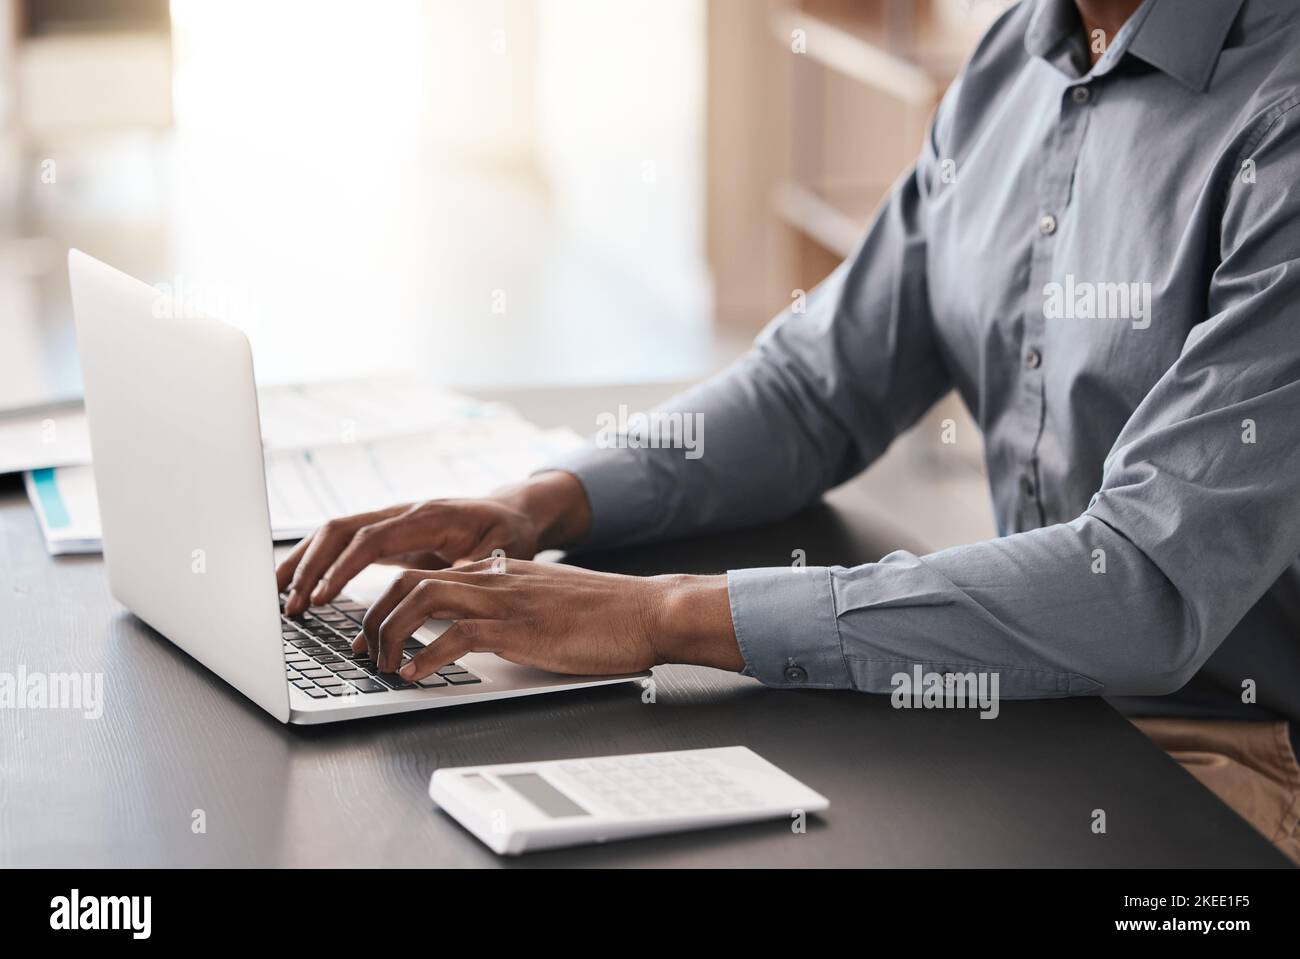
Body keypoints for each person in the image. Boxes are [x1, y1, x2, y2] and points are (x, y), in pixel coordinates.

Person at [277, 0, 1300, 860]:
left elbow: (1141, 584)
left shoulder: (1280, 121)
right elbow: (820, 384)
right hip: (1020, 694)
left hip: (1226, 747)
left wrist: (662, 616)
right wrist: (538, 502)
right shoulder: (1018, 62)